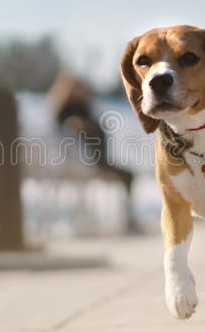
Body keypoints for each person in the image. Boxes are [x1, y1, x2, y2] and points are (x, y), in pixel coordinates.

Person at [48, 72, 139, 233]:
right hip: (84, 162)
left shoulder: (86, 108)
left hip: (99, 159)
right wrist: (77, 126)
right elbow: (63, 131)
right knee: (127, 176)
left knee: (129, 175)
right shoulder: (64, 111)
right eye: (76, 88)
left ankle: (129, 218)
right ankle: (129, 219)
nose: (80, 91)